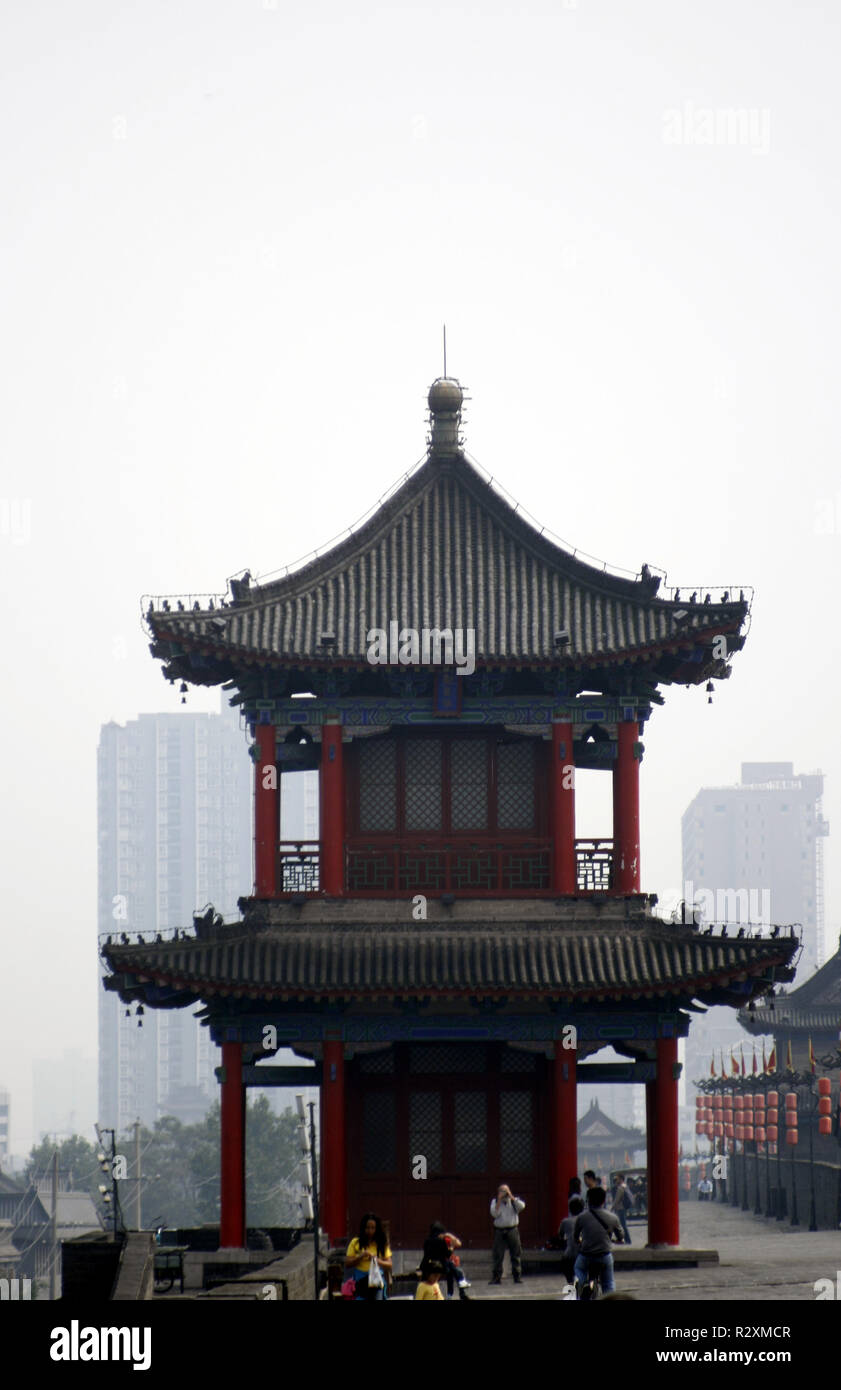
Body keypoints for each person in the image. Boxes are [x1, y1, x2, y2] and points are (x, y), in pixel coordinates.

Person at [573, 1186, 623, 1296]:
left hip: (586, 1255)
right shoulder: (613, 1217)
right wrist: (618, 1240)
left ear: (589, 1200)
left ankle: (580, 1285)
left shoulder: (582, 1217)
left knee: (578, 1268)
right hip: (604, 1255)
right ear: (604, 1200)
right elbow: (621, 1236)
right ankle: (610, 1297)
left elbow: (576, 1235)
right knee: (608, 1282)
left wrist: (579, 1241)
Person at [345, 1212, 392, 1301]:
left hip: (376, 1282)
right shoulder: (355, 1243)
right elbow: (347, 1263)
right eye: (367, 1228)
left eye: (372, 1228)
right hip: (361, 1281)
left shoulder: (381, 1244)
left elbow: (389, 1264)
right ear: (363, 1228)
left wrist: (376, 1260)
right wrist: (360, 1256)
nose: (370, 1231)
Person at [421, 1221, 471, 1299]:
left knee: (450, 1268)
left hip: (426, 1265)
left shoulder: (427, 1241)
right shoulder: (441, 1241)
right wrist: (451, 1248)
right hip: (437, 1266)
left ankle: (452, 1293)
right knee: (451, 1268)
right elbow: (448, 1254)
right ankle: (459, 1286)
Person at [489, 1183, 525, 1285]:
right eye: (502, 1191)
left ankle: (517, 1276)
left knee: (516, 1253)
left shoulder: (514, 1201)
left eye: (506, 1191)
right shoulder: (495, 1202)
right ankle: (496, 1277)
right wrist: (499, 1200)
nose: (504, 1193)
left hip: (512, 1229)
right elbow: (494, 1214)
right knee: (498, 1255)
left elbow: (522, 1207)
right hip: (500, 1230)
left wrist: (511, 1197)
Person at [558, 1194, 584, 1285]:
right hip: (584, 1253)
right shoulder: (586, 1220)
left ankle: (570, 1283)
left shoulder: (565, 1221)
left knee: (566, 1268)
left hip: (569, 1256)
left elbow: (560, 1235)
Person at [611, 1173, 632, 1245]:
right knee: (622, 1225)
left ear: (621, 1179)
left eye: (617, 1179)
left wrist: (612, 1207)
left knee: (623, 1225)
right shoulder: (625, 1186)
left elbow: (617, 1199)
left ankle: (628, 1240)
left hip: (620, 1208)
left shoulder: (620, 1188)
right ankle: (625, 1240)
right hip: (623, 1207)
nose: (616, 1180)